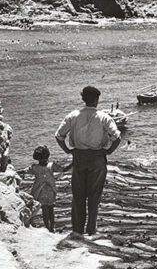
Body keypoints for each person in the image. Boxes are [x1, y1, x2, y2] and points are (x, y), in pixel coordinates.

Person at [55, 86, 122, 237]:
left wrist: (68, 151)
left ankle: (77, 229)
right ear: (97, 100)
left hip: (79, 157)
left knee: (78, 196)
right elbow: (117, 137)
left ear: (83, 99)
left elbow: (59, 136)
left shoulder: (73, 115)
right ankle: (91, 229)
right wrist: (108, 151)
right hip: (97, 158)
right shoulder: (104, 117)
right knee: (94, 196)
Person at [26, 145, 71, 232]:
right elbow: (63, 169)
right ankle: (51, 227)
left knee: (45, 209)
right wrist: (73, 163)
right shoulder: (51, 165)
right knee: (50, 209)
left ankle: (48, 227)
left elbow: (25, 170)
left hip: (39, 191)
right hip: (50, 190)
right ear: (48, 156)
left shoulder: (35, 167)